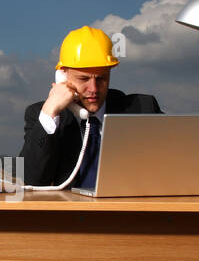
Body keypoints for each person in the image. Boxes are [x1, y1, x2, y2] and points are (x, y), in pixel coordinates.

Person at [20, 25, 163, 188]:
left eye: (102, 79)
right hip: (71, 212)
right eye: (83, 79)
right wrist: (50, 111)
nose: (94, 89)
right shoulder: (41, 115)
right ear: (63, 75)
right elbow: (31, 180)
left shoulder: (143, 108)